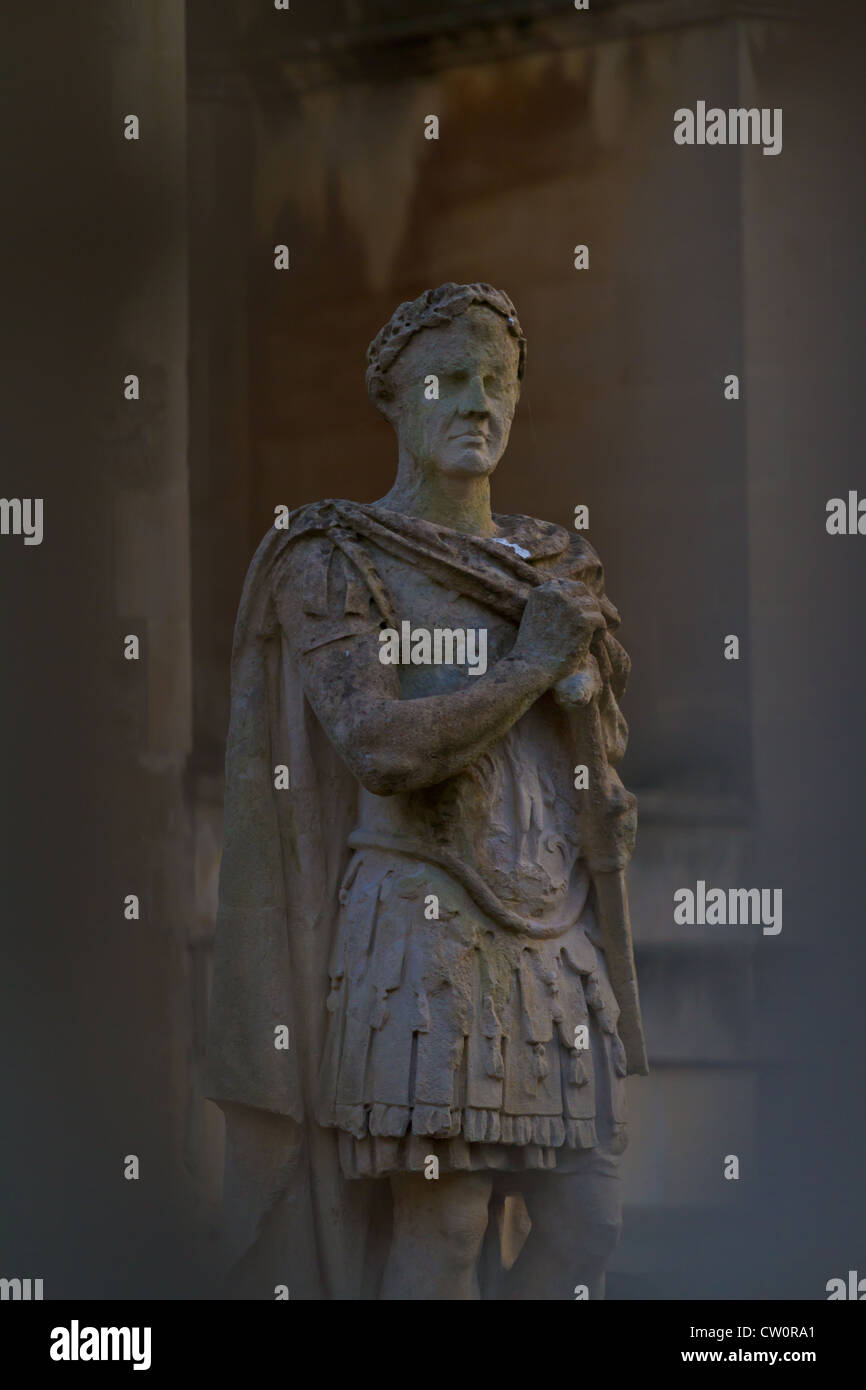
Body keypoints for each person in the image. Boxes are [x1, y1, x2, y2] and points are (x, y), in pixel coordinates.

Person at [206, 283, 646, 1300]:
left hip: (555, 934)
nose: (475, 402)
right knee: (441, 1229)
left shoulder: (554, 565)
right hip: (419, 933)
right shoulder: (338, 558)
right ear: (396, 403)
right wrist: (531, 664)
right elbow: (377, 747)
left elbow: (596, 745)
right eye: (447, 380)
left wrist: (598, 788)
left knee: (588, 1223)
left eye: (495, 380)